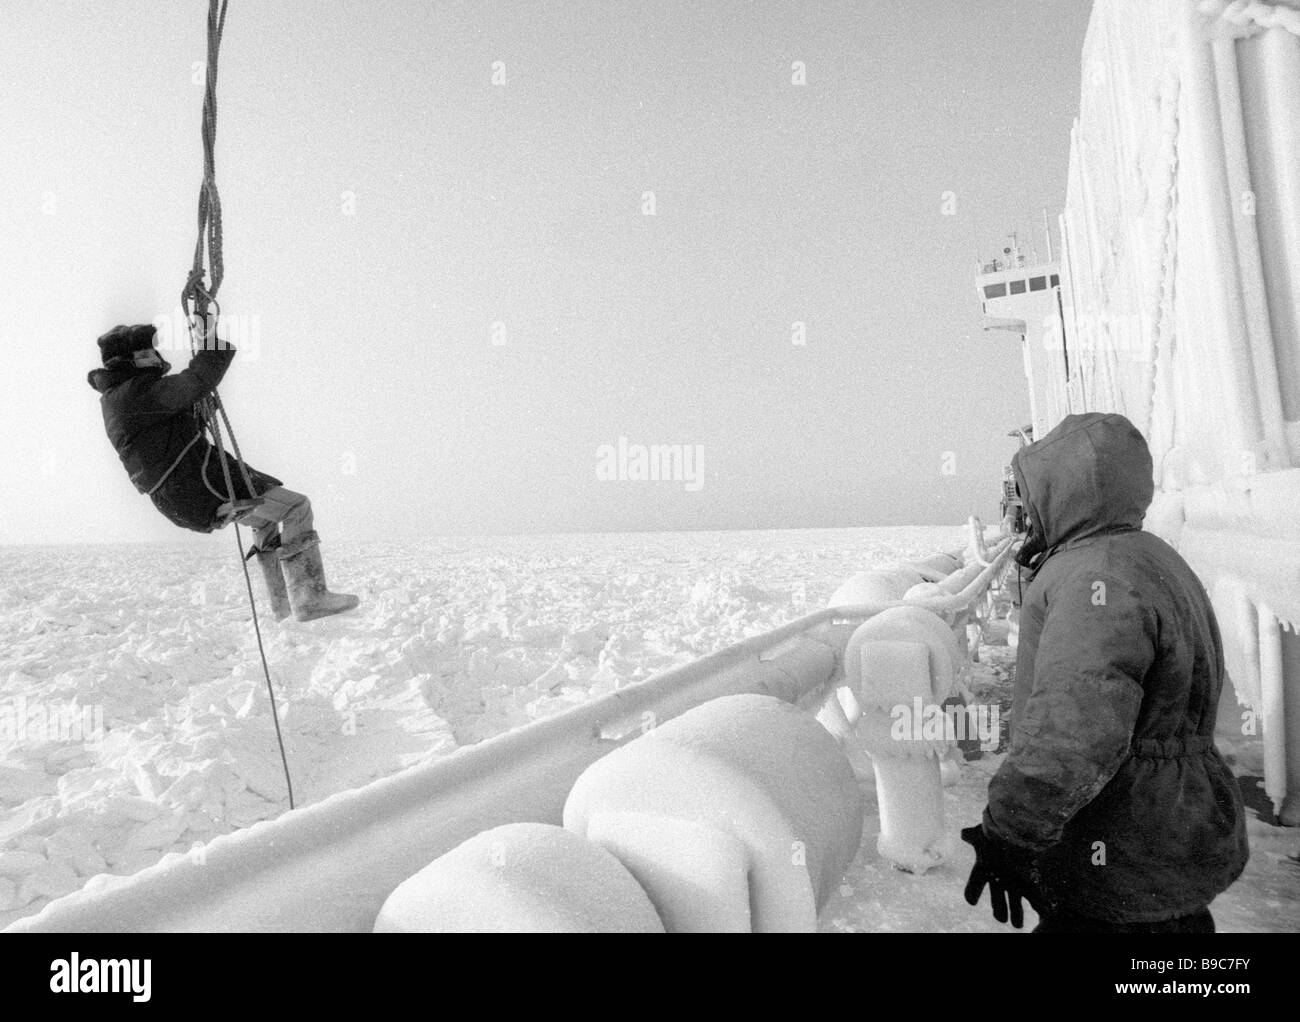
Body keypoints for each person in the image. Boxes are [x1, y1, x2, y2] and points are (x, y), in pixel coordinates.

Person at [962, 412, 1248, 933]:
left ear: (1063, 492)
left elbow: (1073, 728)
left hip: (1119, 845)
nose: (1023, 511)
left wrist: (1011, 831)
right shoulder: (1147, 555)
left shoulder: (1096, 576)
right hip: (1169, 835)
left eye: (1029, 493)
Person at [88, 322, 359, 623]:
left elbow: (173, 428)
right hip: (197, 483)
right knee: (297, 508)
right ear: (125, 362)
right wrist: (210, 343)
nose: (154, 355)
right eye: (144, 352)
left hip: (182, 497)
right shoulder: (136, 394)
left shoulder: (120, 399)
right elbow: (198, 379)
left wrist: (199, 403)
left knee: (266, 523)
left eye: (152, 349)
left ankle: (282, 606)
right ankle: (309, 597)